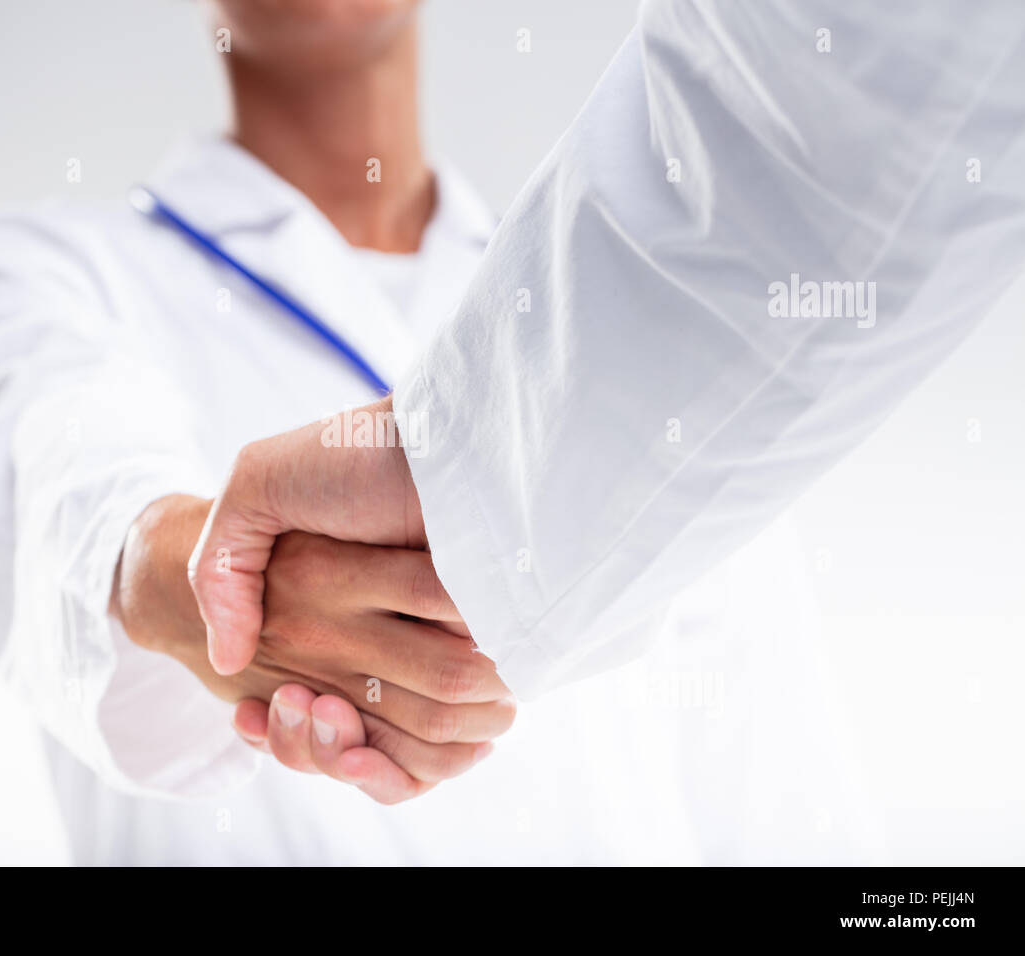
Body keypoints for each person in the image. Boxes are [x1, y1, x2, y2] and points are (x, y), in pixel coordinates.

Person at [0, 0, 879, 864]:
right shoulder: (39, 269)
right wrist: (202, 578)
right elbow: (70, 506)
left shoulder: (621, 309)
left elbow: (774, 778)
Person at [190, 0, 1025, 829]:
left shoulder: (551, 275)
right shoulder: (71, 266)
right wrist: (188, 581)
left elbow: (776, 778)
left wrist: (442, 475)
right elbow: (79, 551)